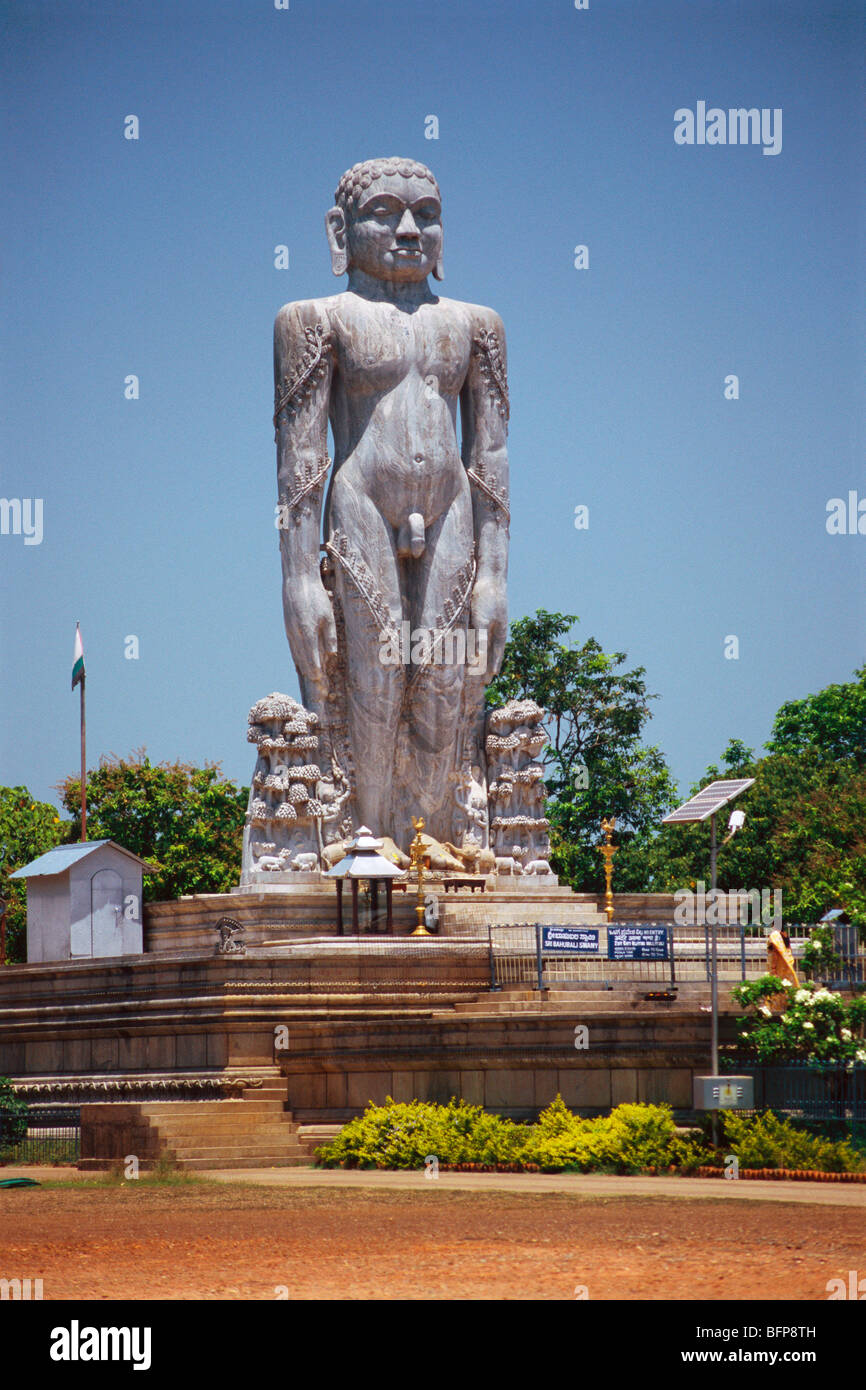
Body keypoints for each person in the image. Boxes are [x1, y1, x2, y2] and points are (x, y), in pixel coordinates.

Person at [274, 158, 509, 845]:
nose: (409, 230)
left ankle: (438, 845)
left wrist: (495, 575)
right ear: (339, 230)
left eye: (426, 216)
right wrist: (296, 580)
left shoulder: (476, 326)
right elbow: (300, 463)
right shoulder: (315, 320)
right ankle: (363, 843)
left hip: (452, 510)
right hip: (360, 503)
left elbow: (490, 458)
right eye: (385, 212)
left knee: (445, 687)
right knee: (371, 686)